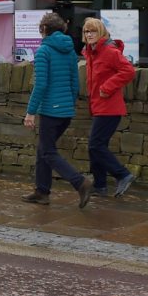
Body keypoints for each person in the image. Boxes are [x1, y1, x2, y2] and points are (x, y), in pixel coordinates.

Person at [22, 12, 92, 207]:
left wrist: (30, 112)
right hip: (65, 111)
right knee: (43, 150)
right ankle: (42, 191)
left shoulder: (44, 51)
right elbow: (74, 83)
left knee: (48, 152)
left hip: (50, 112)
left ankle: (80, 183)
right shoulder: (70, 50)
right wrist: (68, 105)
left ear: (44, 29)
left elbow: (41, 84)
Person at [82, 17, 138, 197]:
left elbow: (128, 71)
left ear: (101, 33)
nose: (89, 34)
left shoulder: (109, 51)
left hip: (110, 108)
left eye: (93, 31)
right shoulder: (91, 53)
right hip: (99, 106)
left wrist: (107, 87)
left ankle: (123, 174)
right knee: (98, 145)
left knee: (95, 145)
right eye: (86, 31)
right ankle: (100, 185)